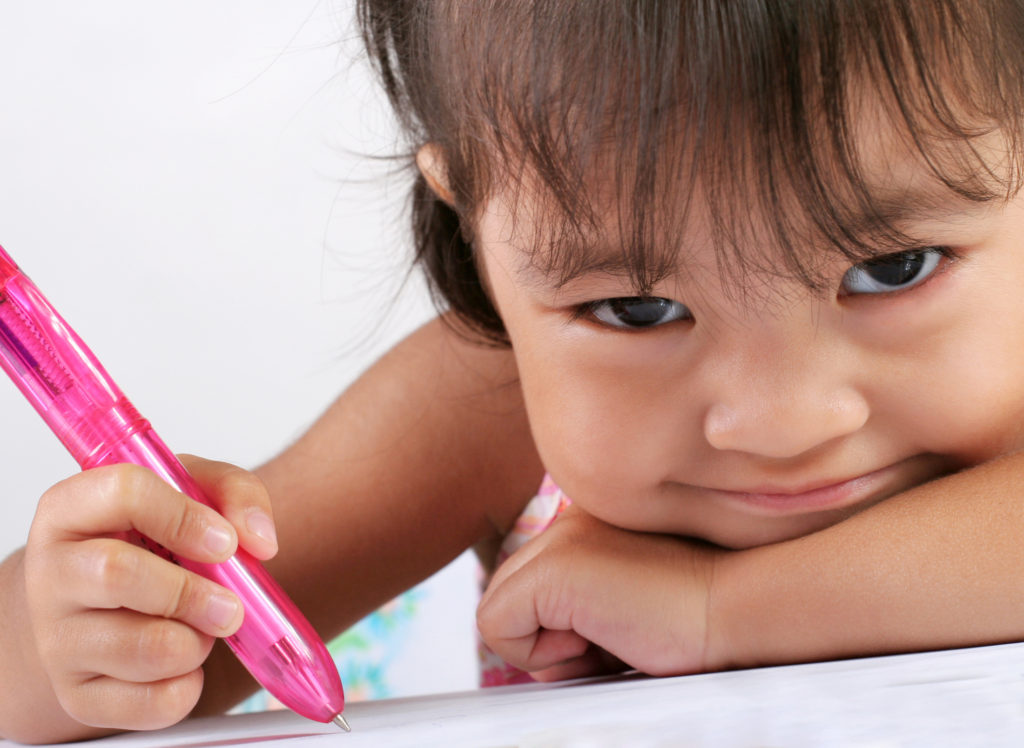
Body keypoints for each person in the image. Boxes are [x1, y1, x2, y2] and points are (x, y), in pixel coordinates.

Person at [5, 0, 1024, 742]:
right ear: (478, 224)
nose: (783, 417)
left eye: (891, 268)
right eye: (637, 308)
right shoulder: (488, 405)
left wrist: (718, 609)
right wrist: (85, 632)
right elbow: (170, 654)